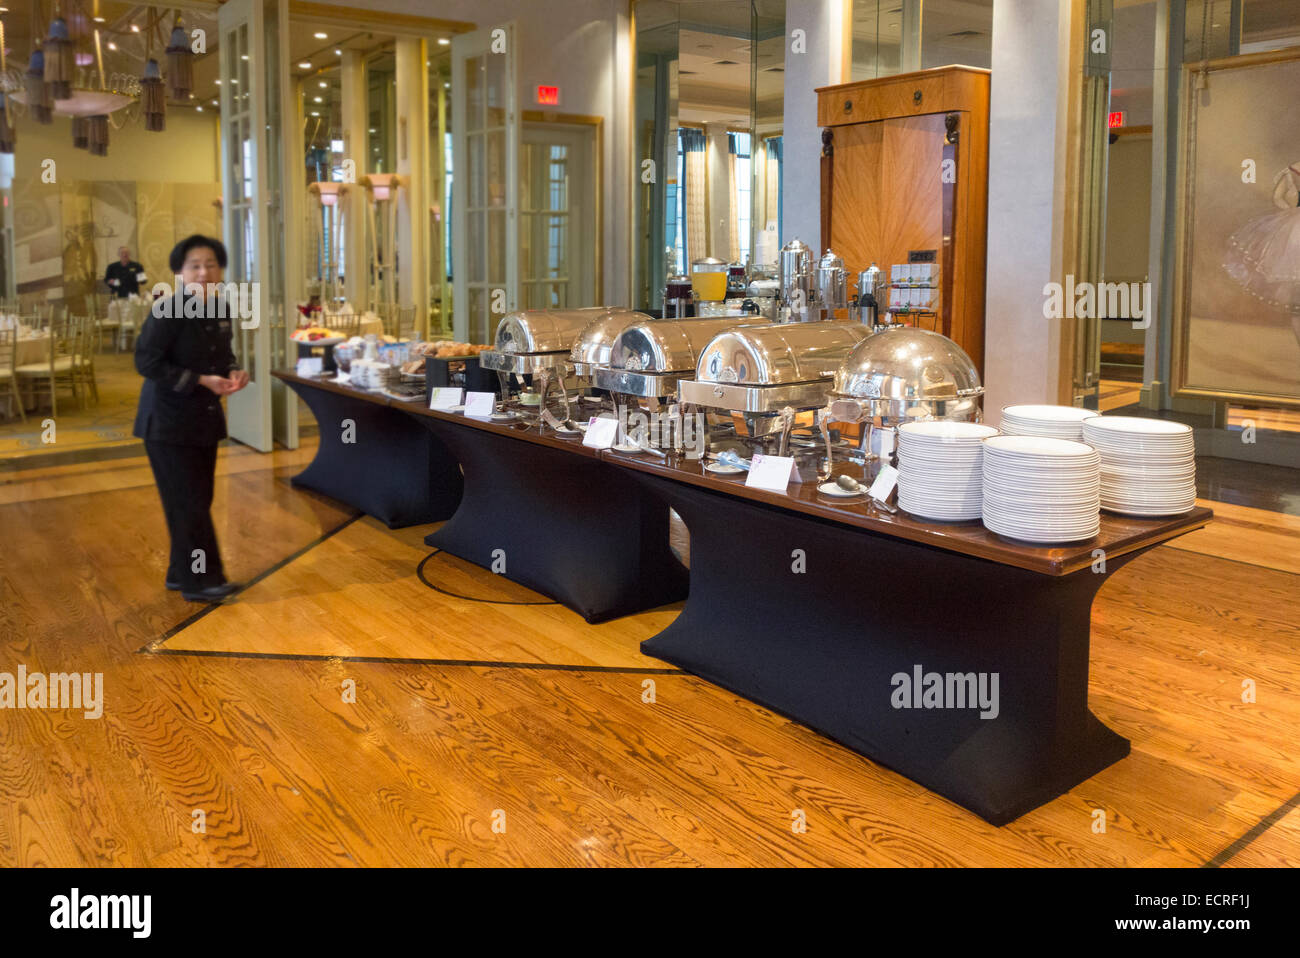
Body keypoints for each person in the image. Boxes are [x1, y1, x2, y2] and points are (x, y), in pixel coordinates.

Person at [133, 235, 249, 602]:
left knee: (197, 499)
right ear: (179, 272)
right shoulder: (168, 310)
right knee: (189, 503)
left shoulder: (219, 306)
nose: (204, 272)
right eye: (195, 265)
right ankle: (201, 580)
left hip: (203, 420)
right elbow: (146, 362)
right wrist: (200, 380)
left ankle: (178, 573)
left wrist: (233, 372)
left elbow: (222, 354)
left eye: (211, 264)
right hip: (167, 424)